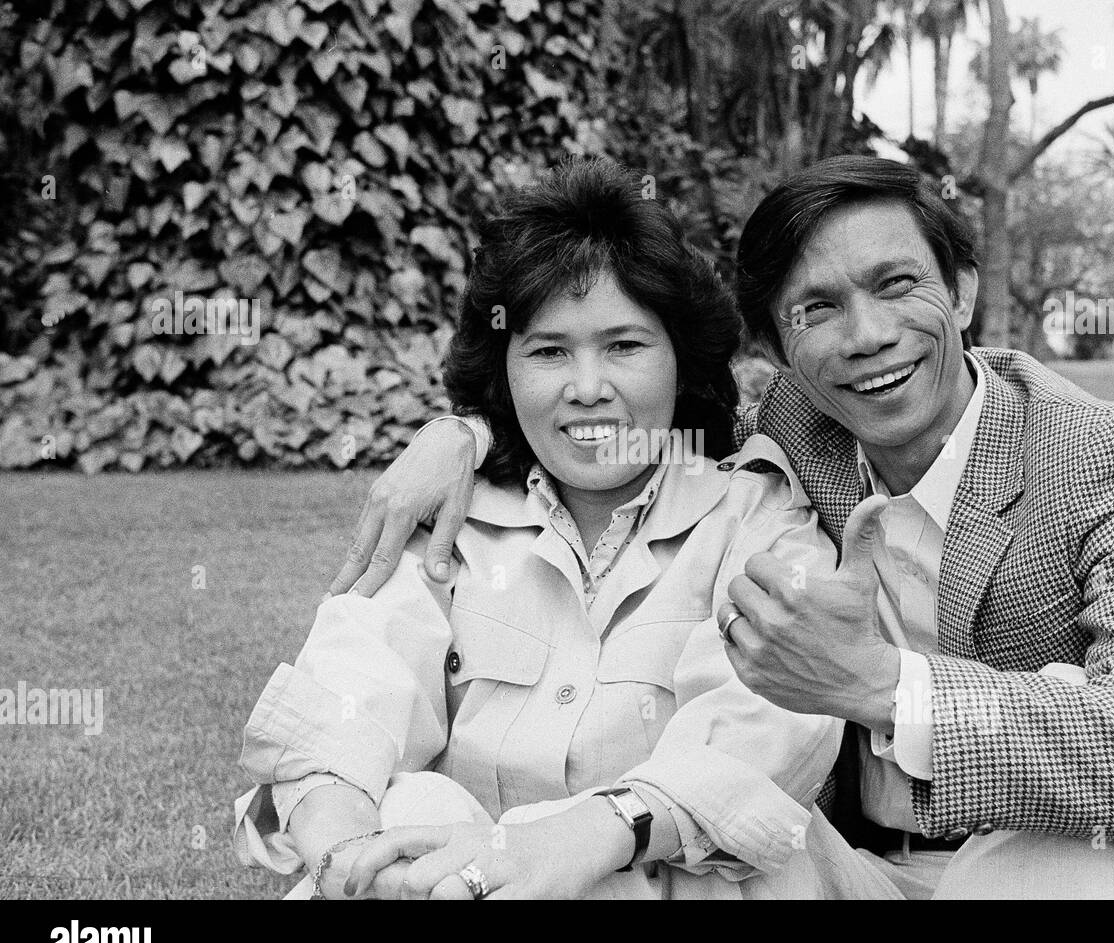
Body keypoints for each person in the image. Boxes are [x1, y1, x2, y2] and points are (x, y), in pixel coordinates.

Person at [333, 156, 1114, 899]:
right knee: (709, 842)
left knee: (1043, 848)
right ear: (780, 346)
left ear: (965, 291)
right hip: (854, 868)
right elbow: (614, 394)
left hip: (1090, 877)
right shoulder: (794, 420)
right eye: (817, 310)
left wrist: (883, 687)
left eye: (897, 285)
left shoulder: (1103, 455)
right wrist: (461, 429)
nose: (864, 336)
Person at [234, 157, 899, 900]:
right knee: (413, 811)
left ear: (682, 363)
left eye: (625, 346)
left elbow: (757, 745)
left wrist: (555, 847)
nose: (587, 390)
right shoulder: (451, 518)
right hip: (454, 886)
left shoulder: (755, 518)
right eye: (549, 352)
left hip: (674, 884)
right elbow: (347, 694)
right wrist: (348, 855)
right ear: (506, 370)